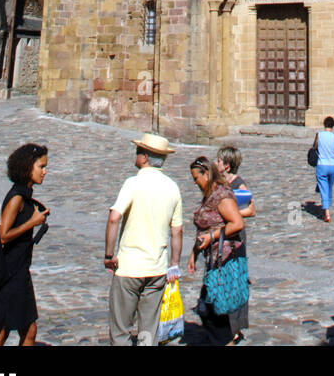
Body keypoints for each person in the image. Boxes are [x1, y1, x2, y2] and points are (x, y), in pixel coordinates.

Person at [105, 133, 182, 346]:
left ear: (145, 157)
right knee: (148, 331)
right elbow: (177, 230)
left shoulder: (133, 183)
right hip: (157, 268)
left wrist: (108, 255)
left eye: (139, 151)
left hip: (129, 267)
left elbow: (114, 218)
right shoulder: (172, 187)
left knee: (121, 330)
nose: (136, 155)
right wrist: (174, 264)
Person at [0, 143, 50, 346]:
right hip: (9, 274)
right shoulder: (17, 198)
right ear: (27, 167)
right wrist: (32, 222)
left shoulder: (24, 195)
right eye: (41, 167)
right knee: (0, 335)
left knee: (29, 330)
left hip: (19, 271)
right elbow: (3, 235)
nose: (45, 172)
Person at [188, 155, 248, 346]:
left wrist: (212, 237)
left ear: (206, 173)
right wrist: (194, 253)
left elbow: (237, 223)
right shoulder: (210, 194)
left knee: (211, 310)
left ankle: (227, 342)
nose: (195, 182)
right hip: (213, 259)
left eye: (196, 178)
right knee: (211, 311)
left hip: (225, 259)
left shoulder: (221, 195)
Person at [311, 116, 334, 222]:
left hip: (322, 164)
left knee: (323, 188)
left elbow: (315, 146)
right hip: (333, 165)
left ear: (324, 124)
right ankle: (327, 205)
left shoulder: (319, 135)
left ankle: (326, 212)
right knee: (329, 188)